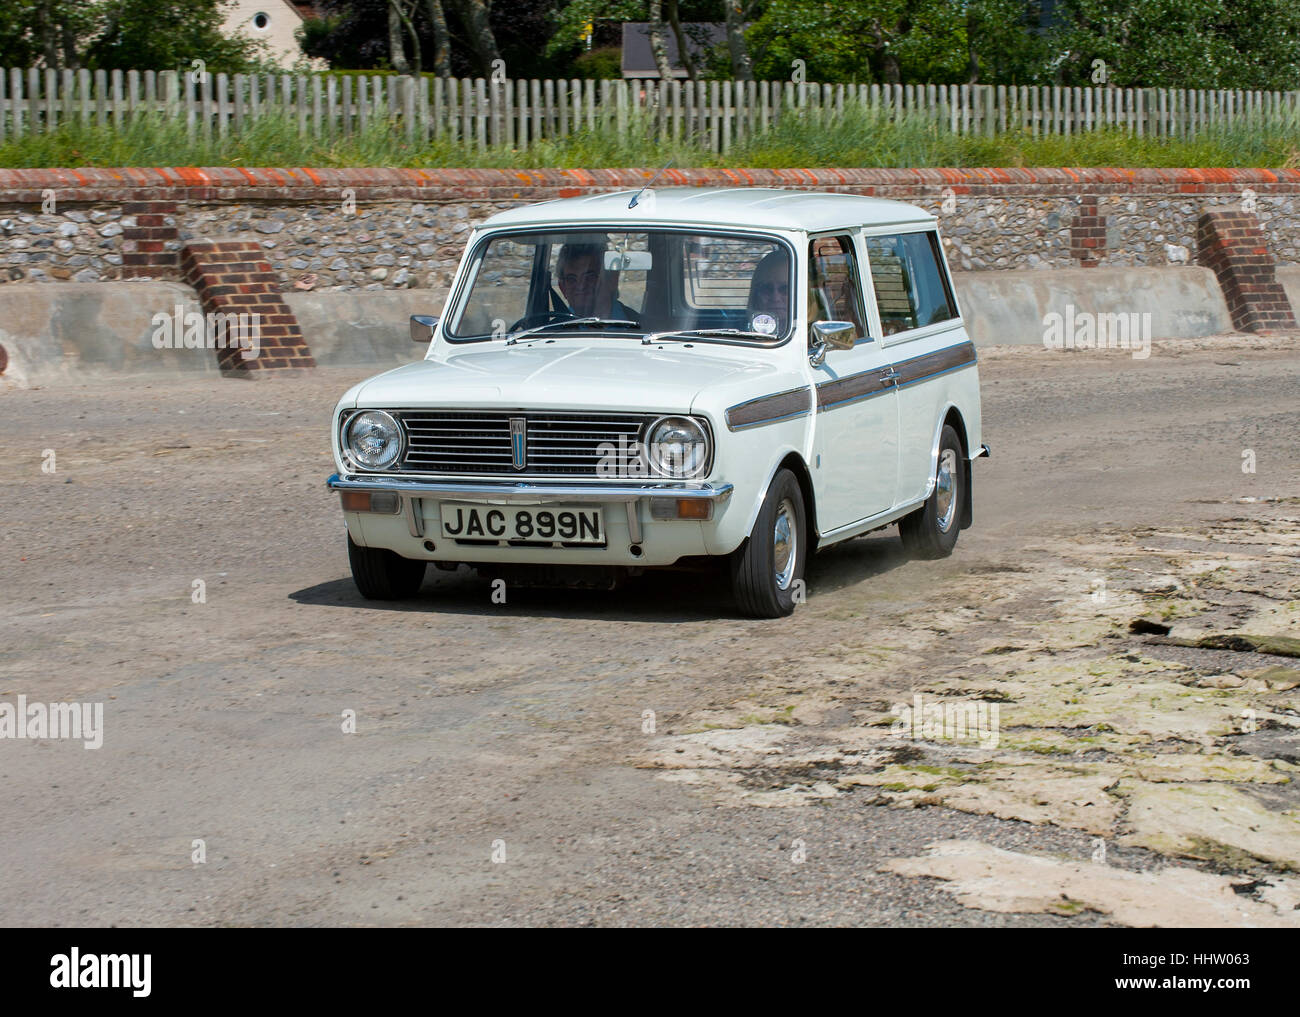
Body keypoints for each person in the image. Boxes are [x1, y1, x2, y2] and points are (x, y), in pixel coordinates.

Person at [555, 241, 640, 322]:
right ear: (563, 288)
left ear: (611, 280)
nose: (581, 286)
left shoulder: (645, 328)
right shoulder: (549, 333)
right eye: (571, 279)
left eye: (589, 277)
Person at [747, 249, 792, 335]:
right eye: (767, 289)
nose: (775, 298)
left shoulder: (811, 340)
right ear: (756, 294)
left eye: (785, 289)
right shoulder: (740, 335)